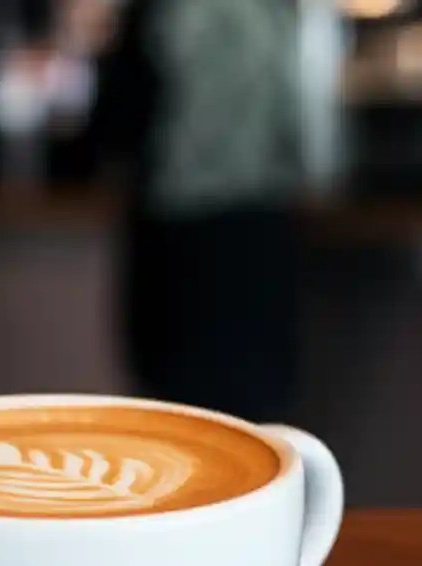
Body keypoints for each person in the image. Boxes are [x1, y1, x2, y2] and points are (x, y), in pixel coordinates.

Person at [96, 0, 303, 421]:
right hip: (258, 232)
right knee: (255, 423)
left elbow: (116, 125)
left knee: (180, 420)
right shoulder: (276, 11)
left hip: (183, 240)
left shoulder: (161, 12)